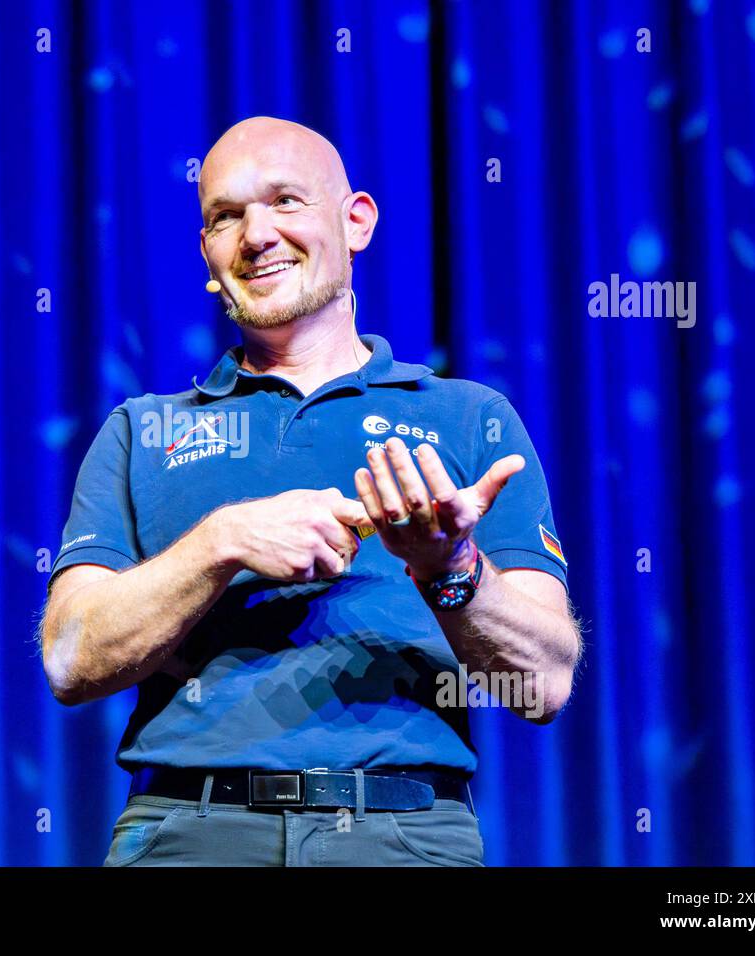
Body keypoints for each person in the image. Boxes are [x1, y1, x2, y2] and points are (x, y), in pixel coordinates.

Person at [39, 116, 583, 866]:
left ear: (356, 222)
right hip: (189, 832)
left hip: (404, 836)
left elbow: (546, 683)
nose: (255, 235)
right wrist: (221, 543)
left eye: (285, 202)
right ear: (207, 253)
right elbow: (72, 663)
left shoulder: (469, 417)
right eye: (225, 217)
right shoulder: (142, 431)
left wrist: (449, 569)